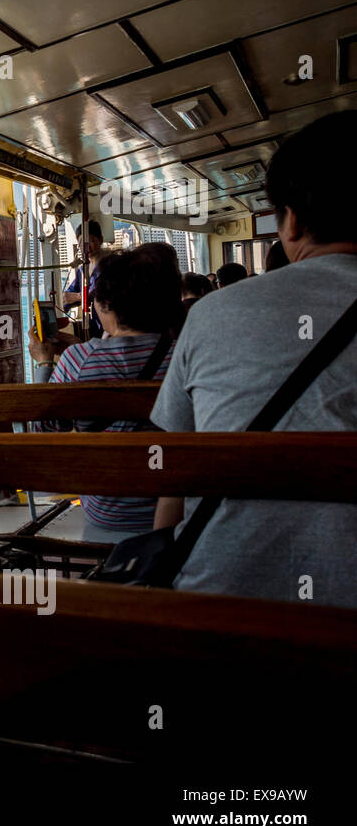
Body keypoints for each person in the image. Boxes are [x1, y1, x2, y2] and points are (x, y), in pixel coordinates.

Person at [151, 110, 357, 607]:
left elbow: (175, 466)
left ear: (290, 220)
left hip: (220, 595)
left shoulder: (212, 313)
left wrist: (160, 581)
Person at [28, 244, 182, 543]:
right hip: (182, 507)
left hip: (108, 511)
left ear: (106, 305)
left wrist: (46, 363)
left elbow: (42, 435)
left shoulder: (78, 361)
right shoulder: (184, 354)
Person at [63, 220, 105, 339]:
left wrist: (78, 297)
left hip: (110, 328)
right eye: (81, 242)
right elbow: (67, 296)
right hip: (92, 329)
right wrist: (66, 299)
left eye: (90, 241)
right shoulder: (83, 270)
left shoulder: (110, 265)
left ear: (100, 240)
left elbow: (106, 294)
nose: (86, 246)